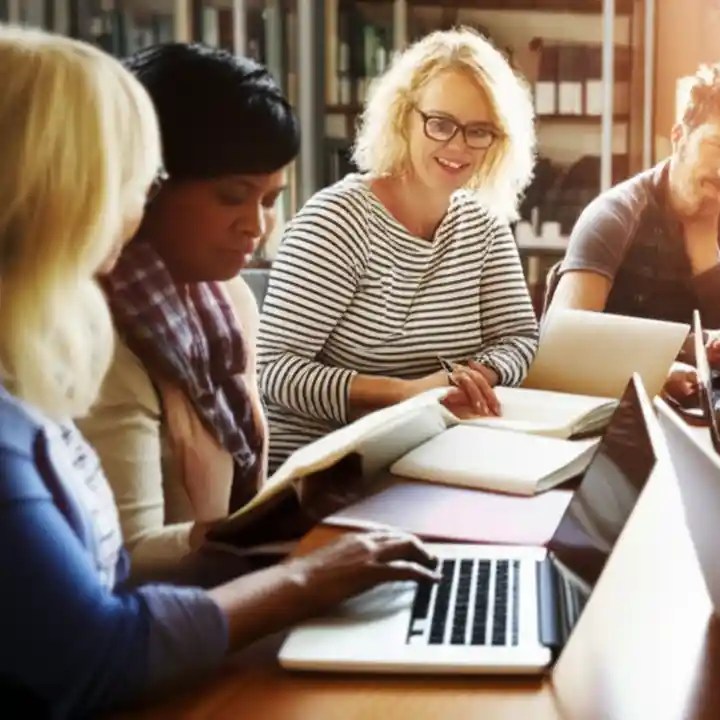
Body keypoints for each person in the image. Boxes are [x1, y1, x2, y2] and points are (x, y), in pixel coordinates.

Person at [0, 27, 438, 718]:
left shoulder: (216, 304)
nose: (132, 209)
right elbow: (97, 645)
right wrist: (301, 578)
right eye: (127, 184)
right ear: (49, 193)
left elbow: (95, 567)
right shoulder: (38, 393)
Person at [256, 28, 540, 473]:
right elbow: (274, 372)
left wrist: (476, 377)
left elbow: (519, 337)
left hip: (435, 454)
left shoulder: (485, 225)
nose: (458, 146)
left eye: (478, 130)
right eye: (441, 123)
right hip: (326, 469)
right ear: (404, 117)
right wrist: (408, 394)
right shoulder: (337, 221)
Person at [75, 44, 294, 582]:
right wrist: (282, 538)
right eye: (232, 197)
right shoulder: (100, 336)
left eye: (268, 200)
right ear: (148, 186)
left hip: (228, 593)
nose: (257, 226)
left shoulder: (230, 300)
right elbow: (123, 558)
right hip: (160, 629)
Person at [547, 60, 720, 377]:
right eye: (717, 147)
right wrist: (682, 354)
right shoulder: (616, 214)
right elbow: (564, 339)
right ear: (679, 136)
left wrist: (708, 258)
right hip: (620, 393)